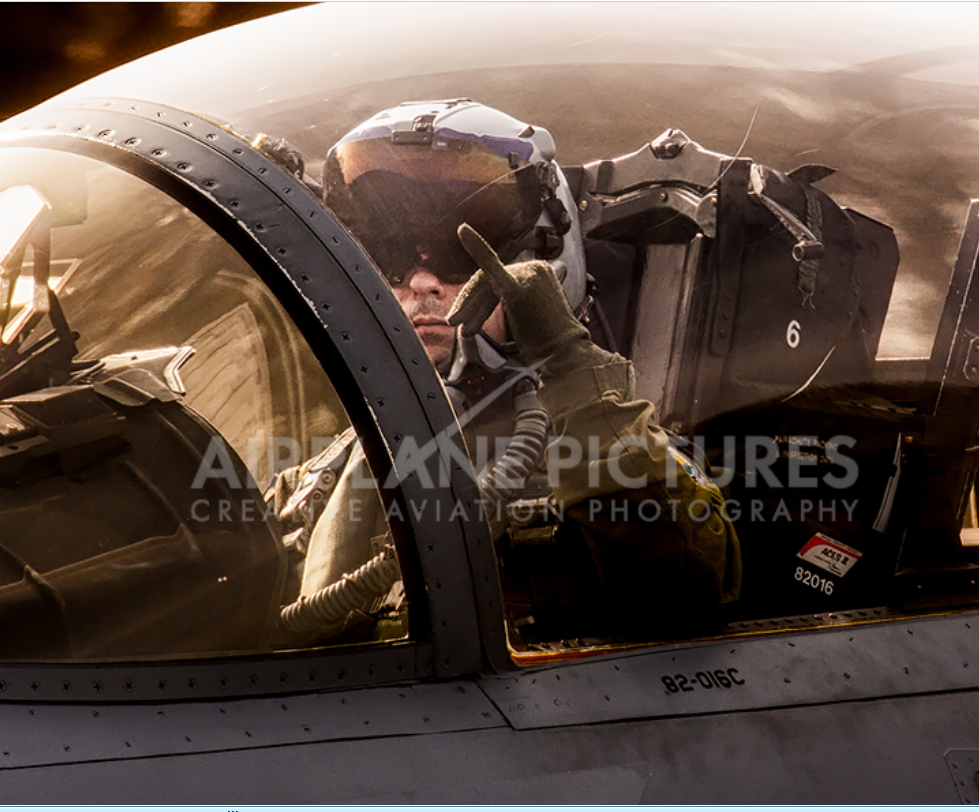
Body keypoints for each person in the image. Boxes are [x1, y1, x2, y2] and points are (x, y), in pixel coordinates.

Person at [266, 99, 740, 649]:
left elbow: (683, 592)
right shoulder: (318, 476)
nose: (421, 284)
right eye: (391, 259)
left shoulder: (627, 456)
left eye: (457, 254)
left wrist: (569, 365)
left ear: (543, 264)